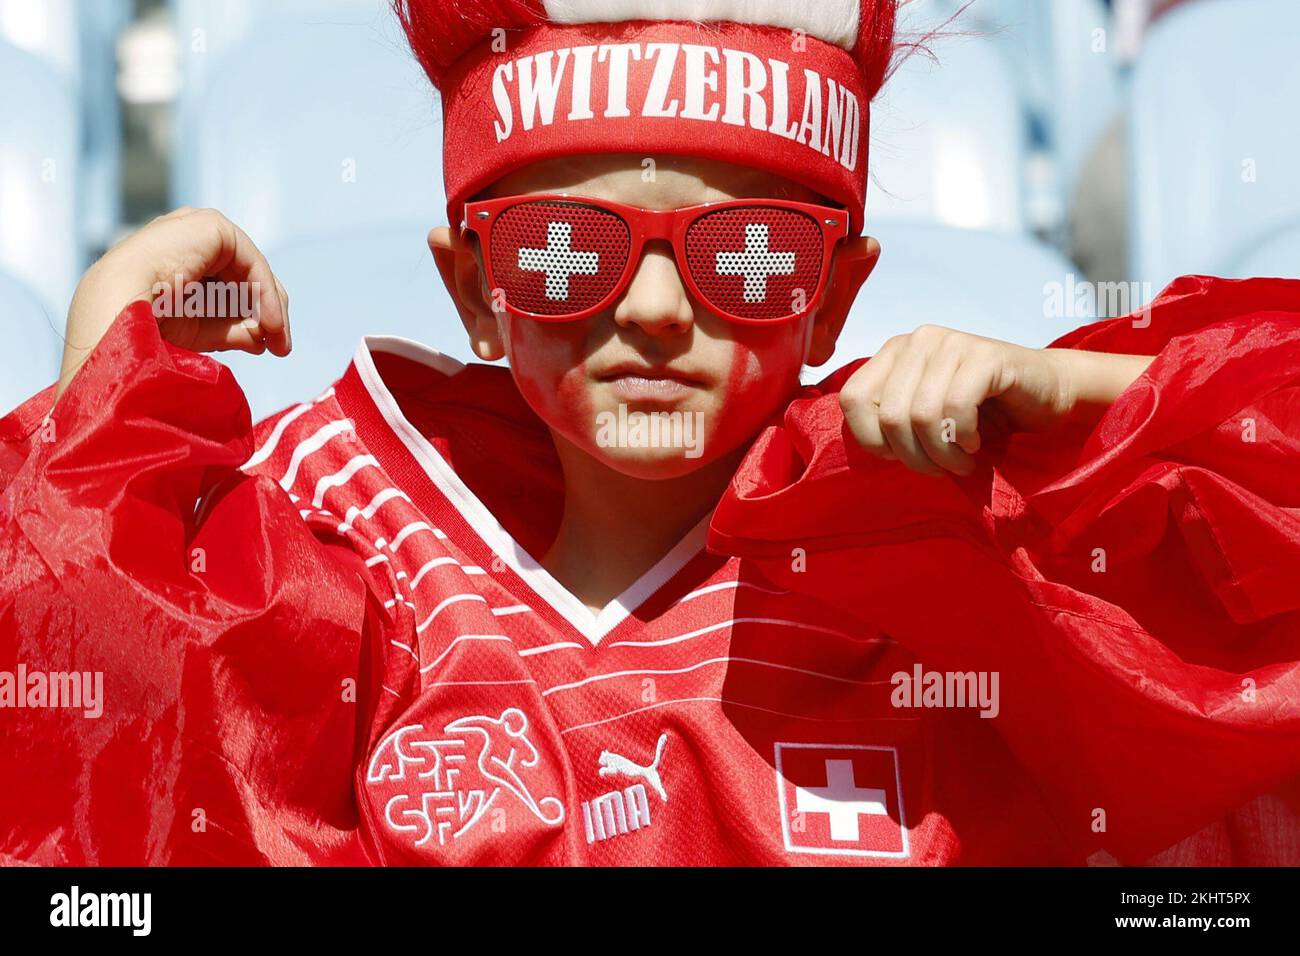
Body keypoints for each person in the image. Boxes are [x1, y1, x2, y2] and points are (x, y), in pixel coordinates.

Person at [1, 0, 1298, 866]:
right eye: (569, 253)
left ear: (835, 293)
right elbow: (124, 787)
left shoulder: (955, 525)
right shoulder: (337, 523)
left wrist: (1102, 405)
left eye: (749, 254)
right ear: (476, 290)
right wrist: (99, 385)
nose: (662, 312)